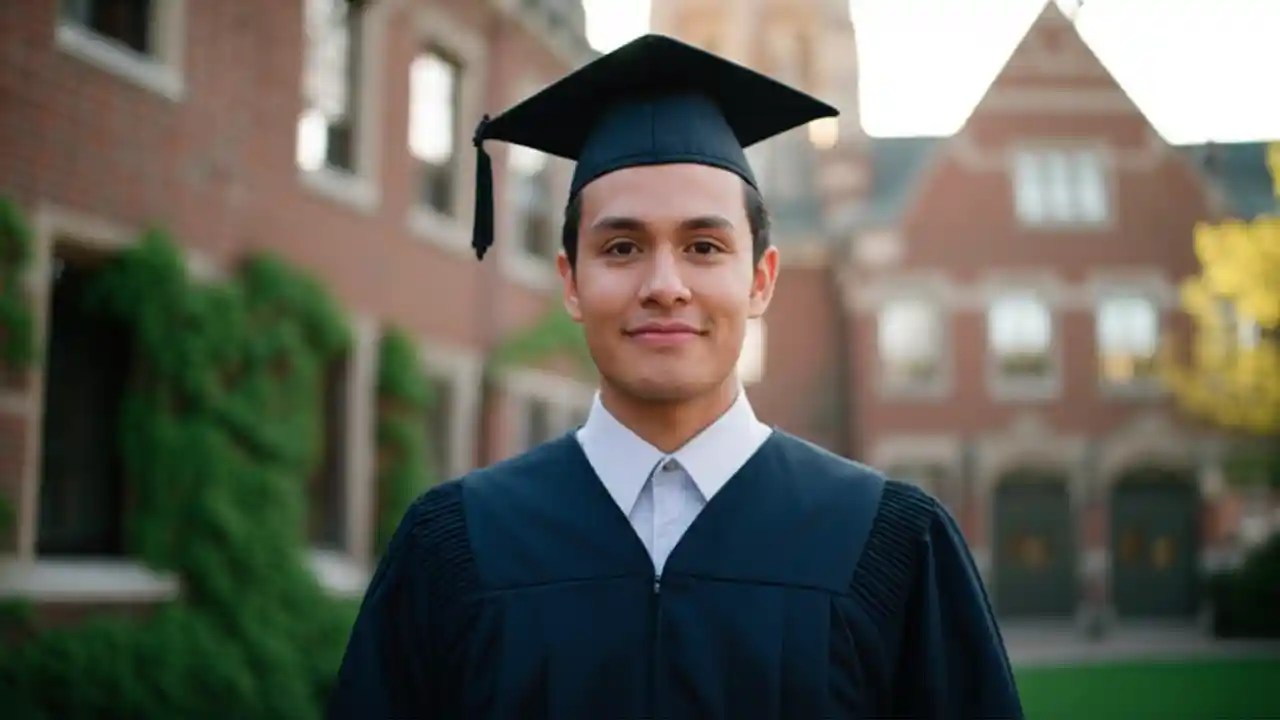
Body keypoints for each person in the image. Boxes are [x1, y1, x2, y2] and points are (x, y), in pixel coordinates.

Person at [328, 34, 1023, 719]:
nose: (665, 285)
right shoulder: (456, 547)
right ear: (571, 282)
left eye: (703, 246)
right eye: (623, 247)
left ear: (760, 280)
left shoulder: (891, 546)